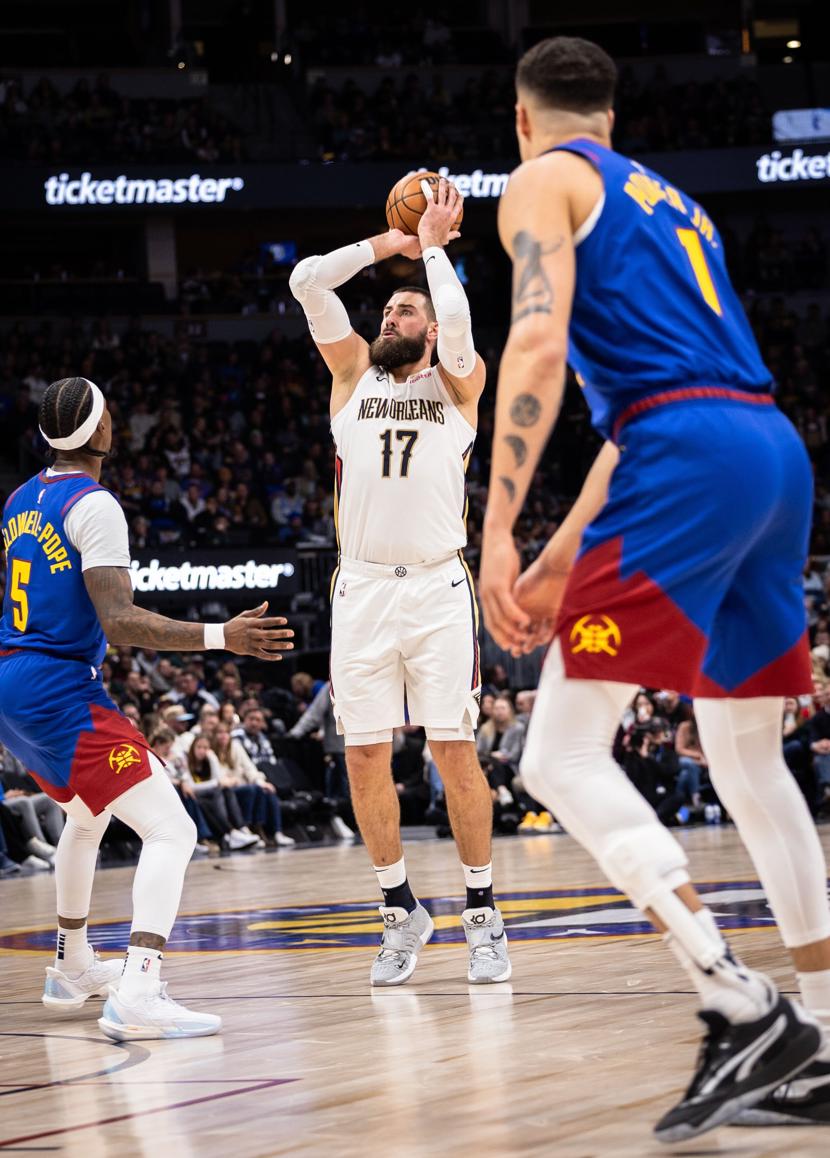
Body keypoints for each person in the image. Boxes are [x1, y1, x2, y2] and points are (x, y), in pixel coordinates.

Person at [478, 37, 829, 1140]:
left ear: (523, 120)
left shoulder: (541, 179)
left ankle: (741, 1005)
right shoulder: (675, 203)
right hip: (767, 453)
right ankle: (818, 1044)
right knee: (746, 760)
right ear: (612, 117)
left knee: (558, 756)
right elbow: (649, 407)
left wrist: (496, 529)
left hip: (685, 456)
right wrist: (556, 560)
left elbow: (538, 347)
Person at [0, 376, 294, 1041]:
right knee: (173, 829)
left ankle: (71, 965)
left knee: (86, 816)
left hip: (13, 682)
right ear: (102, 430)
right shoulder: (95, 504)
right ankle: (138, 989)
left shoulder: (19, 499)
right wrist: (223, 636)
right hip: (57, 687)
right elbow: (121, 620)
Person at [290, 179, 511, 985]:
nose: (391, 316)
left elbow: (458, 322)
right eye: (387, 308)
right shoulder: (351, 373)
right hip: (361, 590)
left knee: (453, 750)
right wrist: (390, 246)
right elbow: (306, 281)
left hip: (436, 588)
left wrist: (437, 254)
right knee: (362, 757)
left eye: (405, 310)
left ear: (431, 329)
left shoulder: (459, 384)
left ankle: (482, 913)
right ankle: (398, 911)